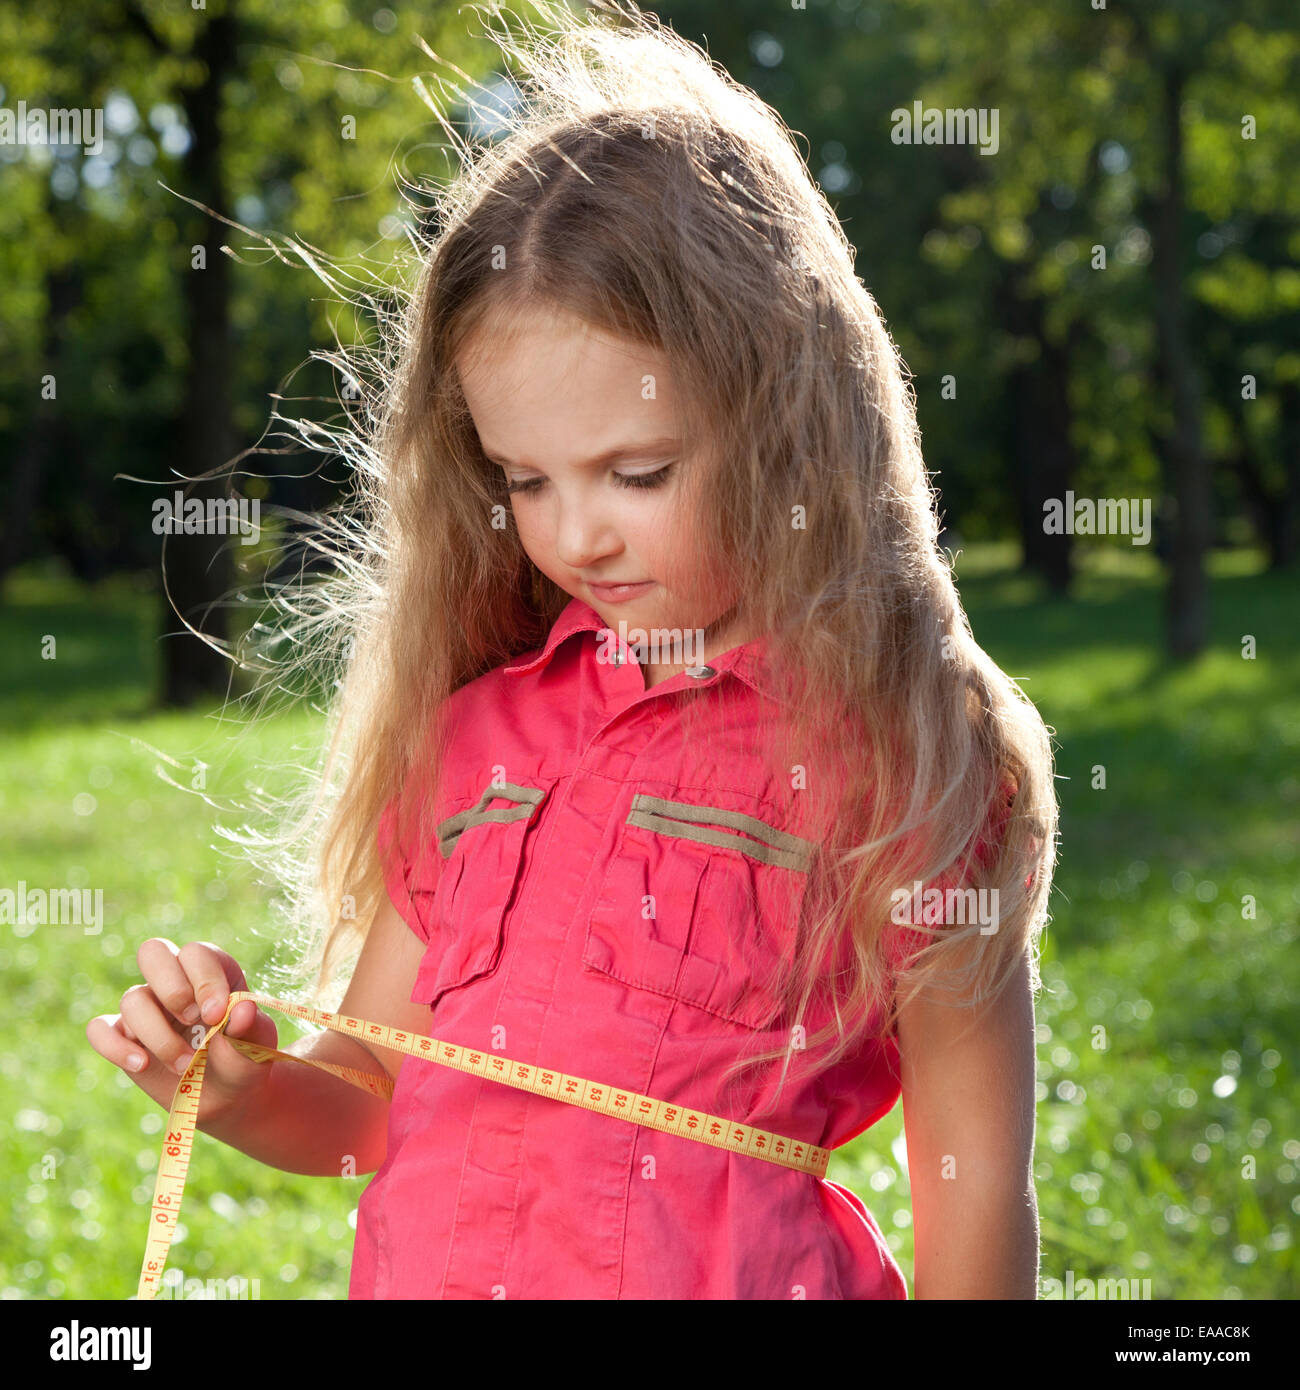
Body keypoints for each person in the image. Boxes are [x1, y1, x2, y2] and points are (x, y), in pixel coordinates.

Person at [87, 0, 1055, 1299]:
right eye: (526, 479)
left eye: (637, 471)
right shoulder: (477, 739)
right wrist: (242, 1084)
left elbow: (977, 1184)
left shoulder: (908, 754)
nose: (579, 535)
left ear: (787, 423)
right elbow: (372, 1099)